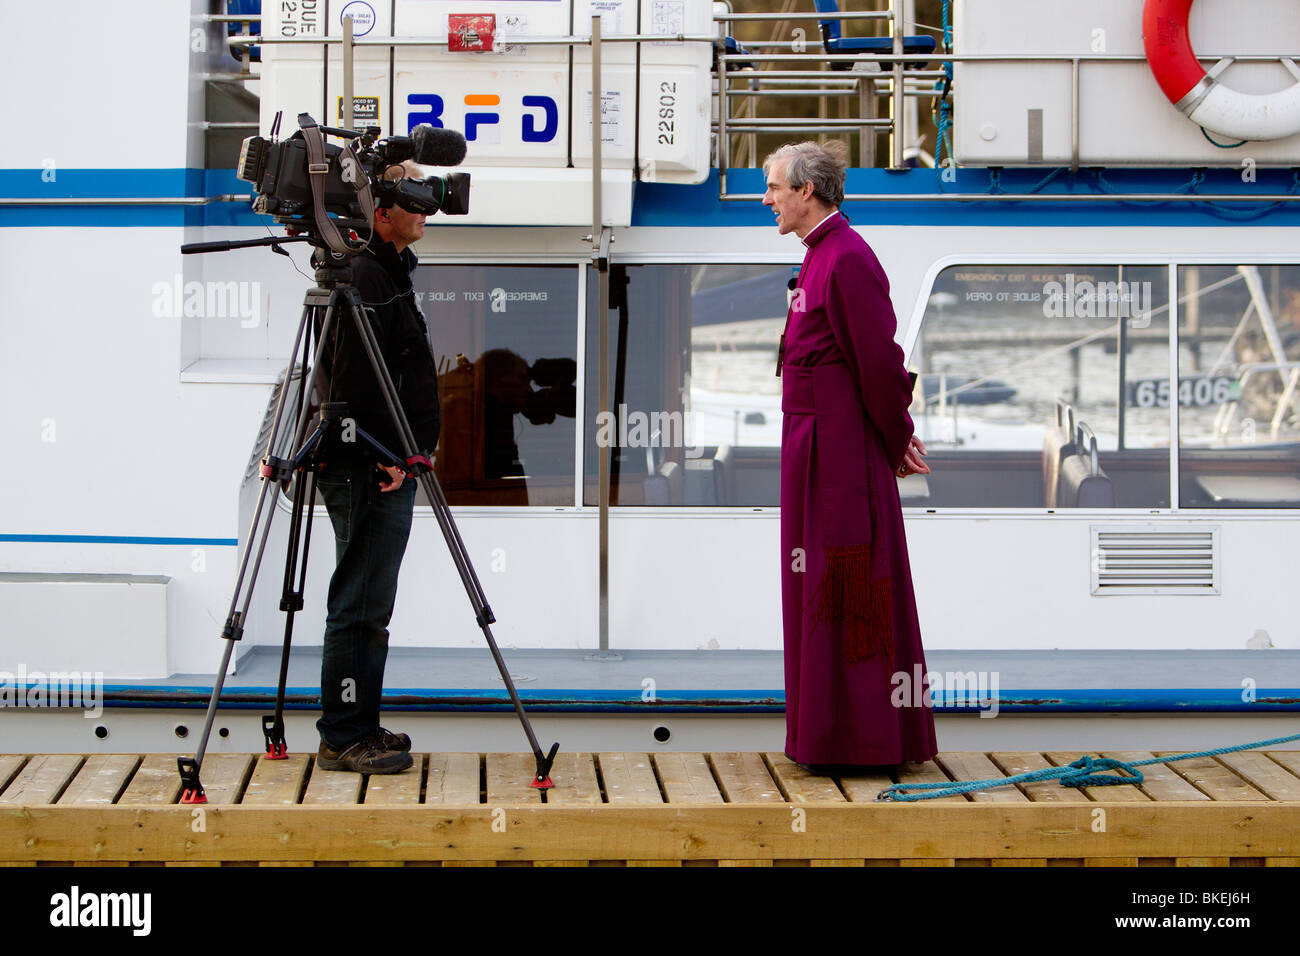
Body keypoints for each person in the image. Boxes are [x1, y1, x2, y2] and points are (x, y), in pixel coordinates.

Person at [763, 141, 938, 770]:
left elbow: (878, 364)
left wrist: (894, 440)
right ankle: (830, 735)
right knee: (821, 588)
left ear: (807, 190)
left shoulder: (846, 260)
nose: (767, 198)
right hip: (817, 449)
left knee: (848, 586)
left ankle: (860, 740)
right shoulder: (822, 256)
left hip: (837, 457)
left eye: (775, 187)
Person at [312, 161, 441, 774]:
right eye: (412, 197)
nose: (426, 209)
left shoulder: (386, 271)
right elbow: (352, 383)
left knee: (370, 603)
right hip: (370, 466)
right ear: (378, 209)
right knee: (360, 603)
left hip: (386, 463)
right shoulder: (363, 274)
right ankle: (343, 733)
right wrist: (389, 458)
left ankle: (356, 723)